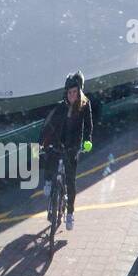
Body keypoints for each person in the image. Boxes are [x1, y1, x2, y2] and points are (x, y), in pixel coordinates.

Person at [40, 71, 93, 232]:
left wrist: (87, 141)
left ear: (79, 92)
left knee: (70, 182)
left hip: (73, 145)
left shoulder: (84, 105)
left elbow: (88, 125)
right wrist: (41, 143)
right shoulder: (61, 106)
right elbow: (49, 125)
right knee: (50, 157)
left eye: (75, 92)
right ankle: (49, 181)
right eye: (69, 92)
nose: (72, 95)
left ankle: (70, 213)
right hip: (59, 141)